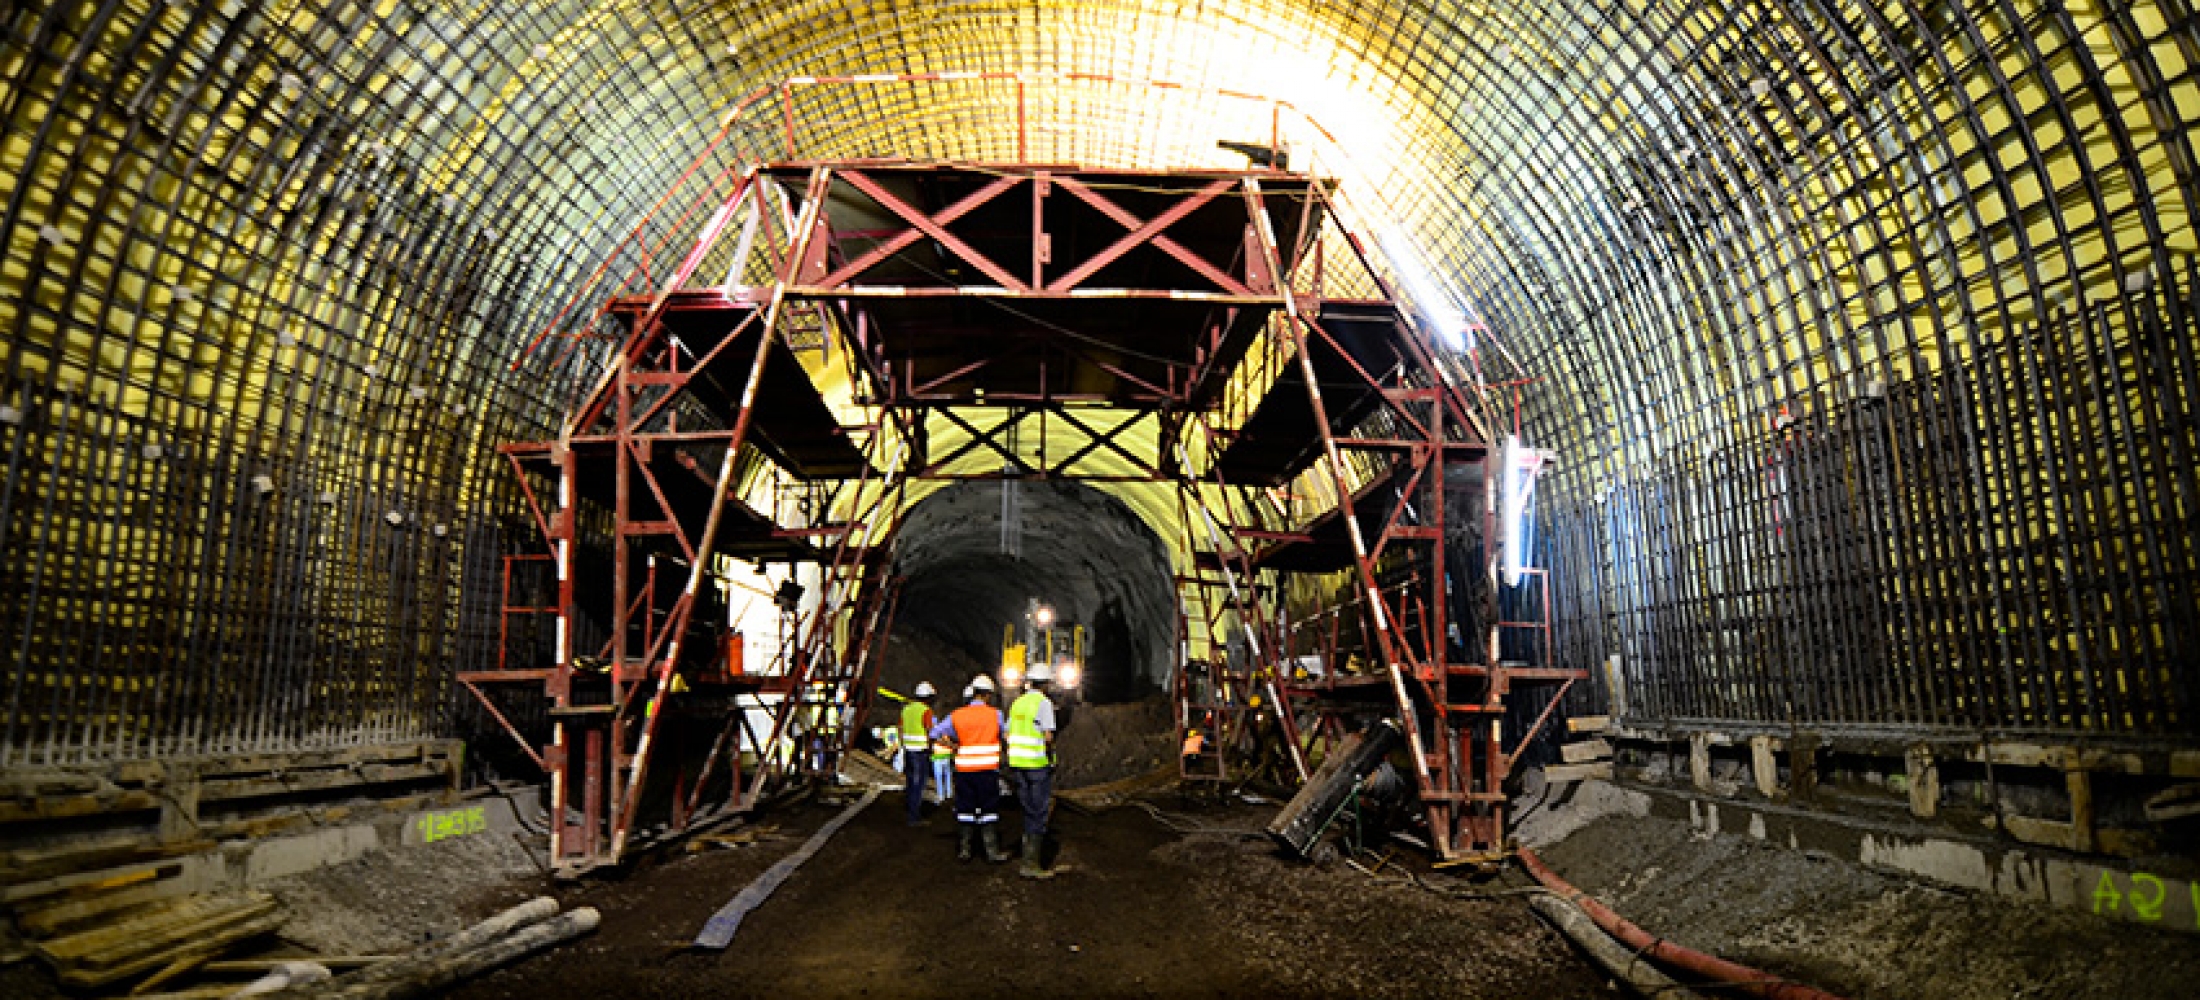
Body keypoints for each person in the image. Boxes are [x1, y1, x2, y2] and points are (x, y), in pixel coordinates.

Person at [931, 675, 1009, 863]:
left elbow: (934, 733)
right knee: (988, 810)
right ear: (988, 695)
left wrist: (953, 747)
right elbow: (1006, 736)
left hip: (964, 770)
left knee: (965, 809)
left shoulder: (957, 715)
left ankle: (965, 850)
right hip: (987, 770)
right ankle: (991, 852)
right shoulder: (995, 715)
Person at [1006, 662, 1060, 879]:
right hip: (1036, 765)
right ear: (1046, 684)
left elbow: (1007, 733)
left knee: (1028, 808)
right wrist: (1050, 755)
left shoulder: (1017, 702)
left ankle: (1027, 855)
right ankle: (1031, 863)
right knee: (1039, 811)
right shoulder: (1043, 703)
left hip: (1017, 764)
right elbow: (1048, 736)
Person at [899, 681, 937, 825]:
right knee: (918, 784)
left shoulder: (906, 709)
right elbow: (929, 731)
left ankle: (911, 811)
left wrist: (903, 744)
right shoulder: (926, 710)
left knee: (910, 783)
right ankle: (914, 817)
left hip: (908, 751)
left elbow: (900, 728)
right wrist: (930, 746)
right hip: (920, 752)